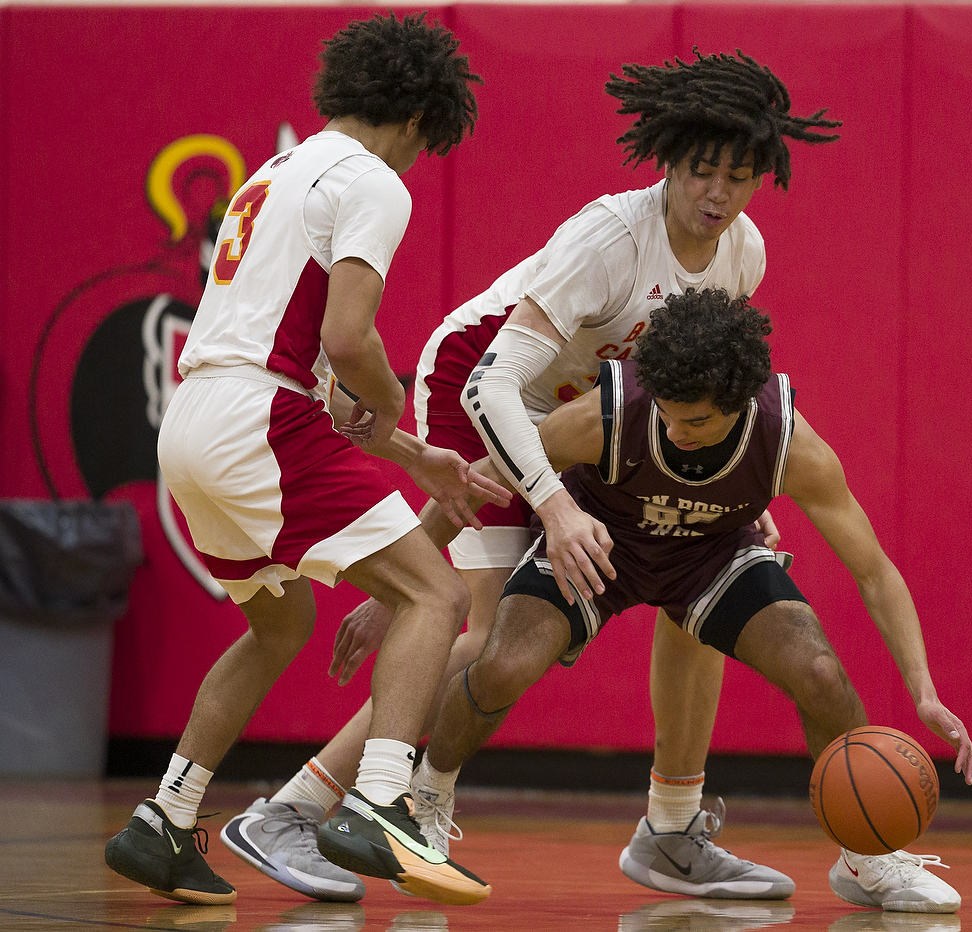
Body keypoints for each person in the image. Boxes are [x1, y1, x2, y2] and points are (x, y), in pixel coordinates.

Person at [235, 49, 847, 903]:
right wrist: (553, 509)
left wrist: (735, 489)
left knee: (700, 577)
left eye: (739, 176)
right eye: (702, 171)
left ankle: (671, 830)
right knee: (487, 637)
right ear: (668, 162)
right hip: (477, 379)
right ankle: (295, 808)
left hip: (574, 418)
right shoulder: (608, 238)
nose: (719, 193)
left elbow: (695, 386)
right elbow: (492, 387)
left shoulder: (741, 254)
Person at [345, 288, 972, 911]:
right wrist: (396, 585)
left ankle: (865, 856)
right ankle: (427, 801)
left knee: (819, 672)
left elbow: (874, 572)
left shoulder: (786, 439)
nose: (676, 430)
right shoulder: (612, 413)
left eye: (696, 420)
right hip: (600, 544)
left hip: (708, 556)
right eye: (668, 412)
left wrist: (922, 690)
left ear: (739, 404)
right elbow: (481, 478)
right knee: (503, 664)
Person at [103, 13, 512, 908]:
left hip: (193, 422)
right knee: (436, 597)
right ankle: (378, 805)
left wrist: (414, 456)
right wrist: (397, 398)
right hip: (262, 419)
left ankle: (164, 818)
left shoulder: (274, 172)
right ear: (416, 121)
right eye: (423, 149)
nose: (415, 168)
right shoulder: (372, 180)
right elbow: (347, 341)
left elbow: (308, 364)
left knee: (279, 625)